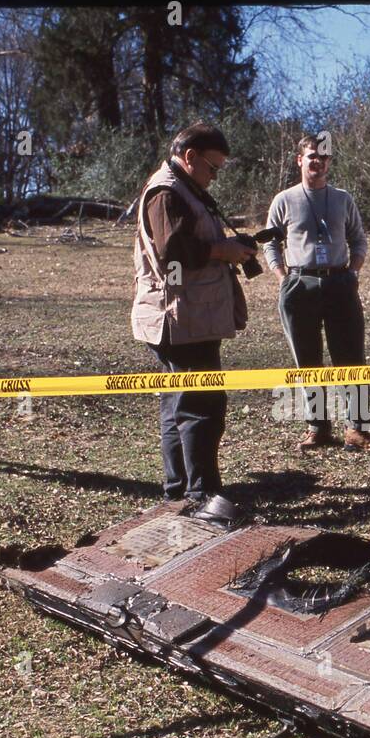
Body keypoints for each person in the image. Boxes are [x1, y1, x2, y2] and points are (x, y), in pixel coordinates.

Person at [131, 123, 257, 502]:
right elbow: (173, 253)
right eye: (213, 168)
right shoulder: (167, 191)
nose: (215, 177)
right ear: (190, 158)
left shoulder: (184, 188)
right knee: (201, 408)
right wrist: (224, 251)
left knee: (179, 405)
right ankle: (202, 495)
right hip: (180, 319)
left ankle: (181, 491)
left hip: (185, 317)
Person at [264, 134, 370, 452]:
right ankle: (318, 427)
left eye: (323, 157)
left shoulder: (343, 199)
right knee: (307, 359)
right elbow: (270, 242)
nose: (317, 162)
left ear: (329, 162)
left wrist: (353, 272)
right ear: (300, 160)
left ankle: (358, 429)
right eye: (311, 156)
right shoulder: (284, 200)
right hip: (299, 285)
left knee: (351, 358)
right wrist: (282, 277)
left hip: (339, 284)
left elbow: (359, 239)